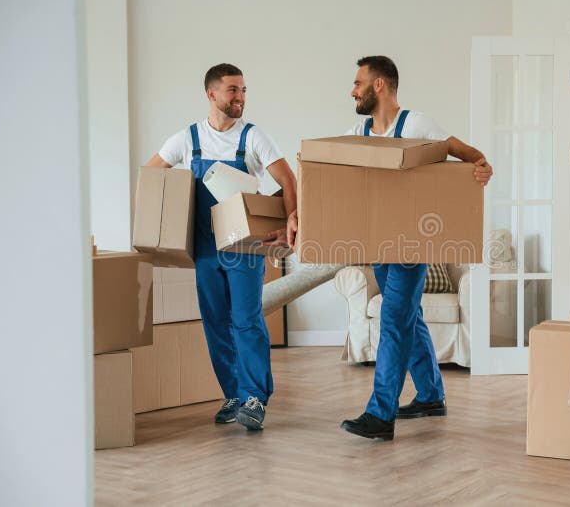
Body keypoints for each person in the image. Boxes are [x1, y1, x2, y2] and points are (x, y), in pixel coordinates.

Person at [286, 56, 492, 440]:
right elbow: (328, 176)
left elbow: (463, 152)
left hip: (411, 246)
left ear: (379, 85)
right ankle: (431, 395)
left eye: (358, 82)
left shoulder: (416, 125)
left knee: (395, 321)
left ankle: (380, 414)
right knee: (409, 318)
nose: (353, 90)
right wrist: (300, 213)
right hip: (379, 244)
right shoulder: (358, 130)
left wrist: (481, 165)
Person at [145, 63, 296, 431]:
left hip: (244, 246)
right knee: (215, 322)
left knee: (246, 320)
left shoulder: (254, 137)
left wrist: (292, 218)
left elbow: (286, 177)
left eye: (243, 90)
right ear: (211, 95)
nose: (240, 97)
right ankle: (233, 394)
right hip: (205, 247)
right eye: (232, 90)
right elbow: (150, 175)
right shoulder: (187, 139)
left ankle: (255, 398)